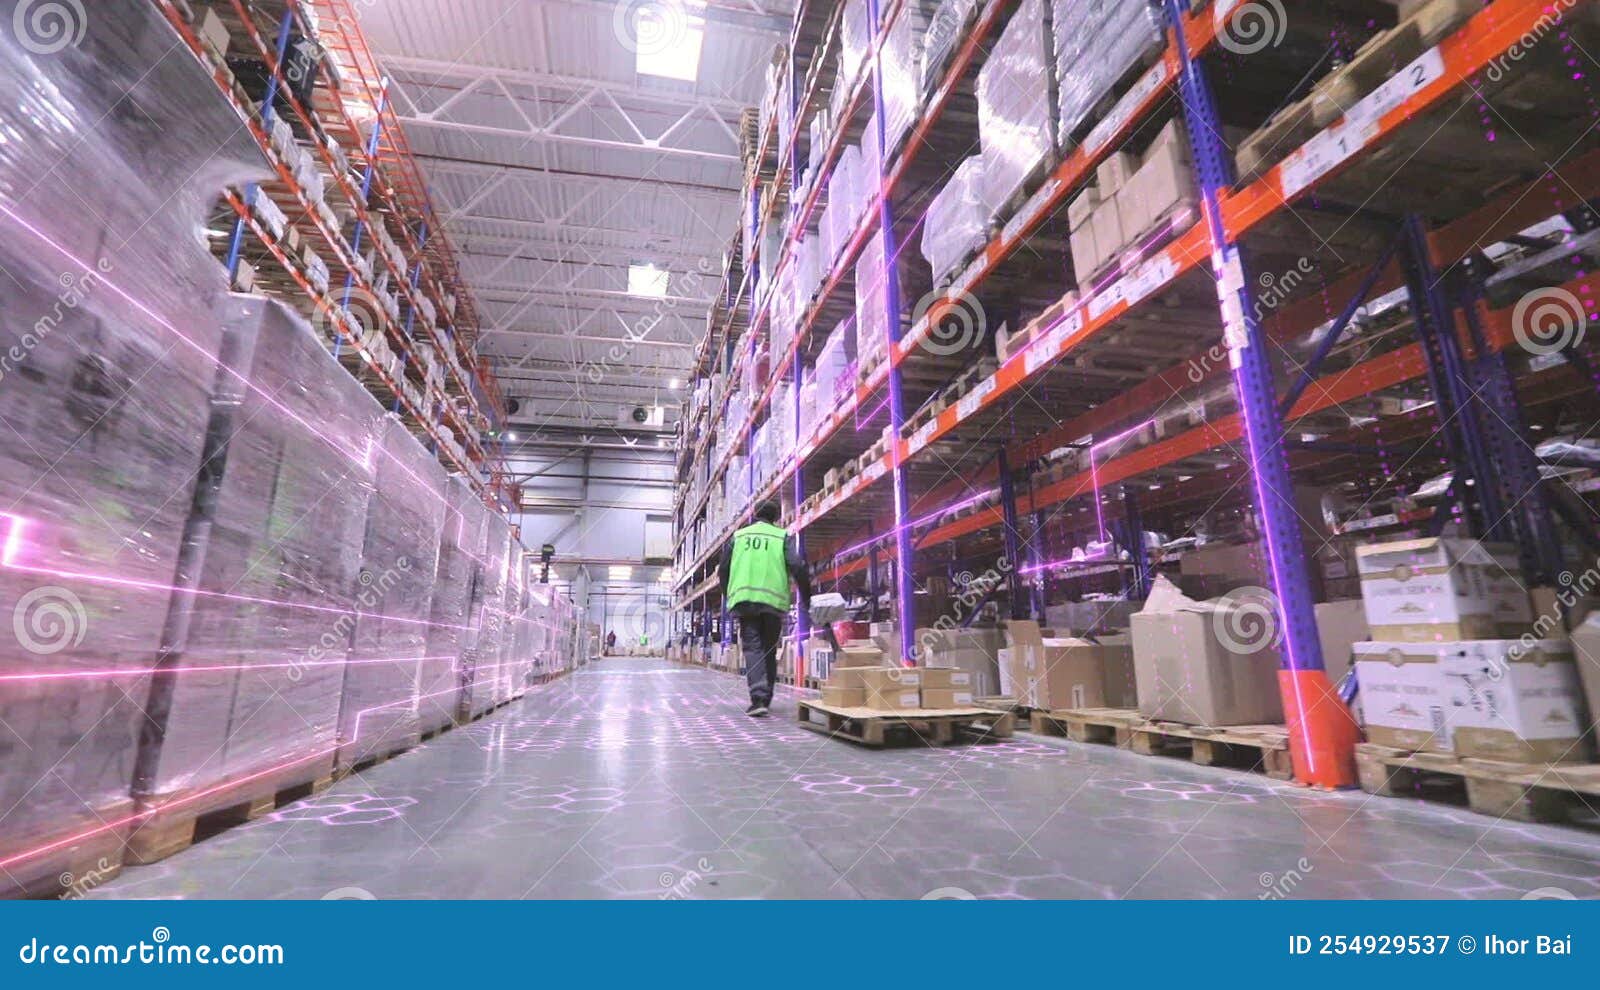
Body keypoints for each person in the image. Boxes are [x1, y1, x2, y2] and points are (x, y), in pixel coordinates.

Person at [717, 500, 812, 717]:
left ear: (754, 515)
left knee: (753, 647)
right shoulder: (781, 537)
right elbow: (798, 566)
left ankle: (758, 697)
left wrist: (728, 594)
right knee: (768, 648)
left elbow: (723, 569)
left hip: (745, 601)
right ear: (774, 517)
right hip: (772, 604)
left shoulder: (739, 537)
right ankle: (765, 696)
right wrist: (807, 597)